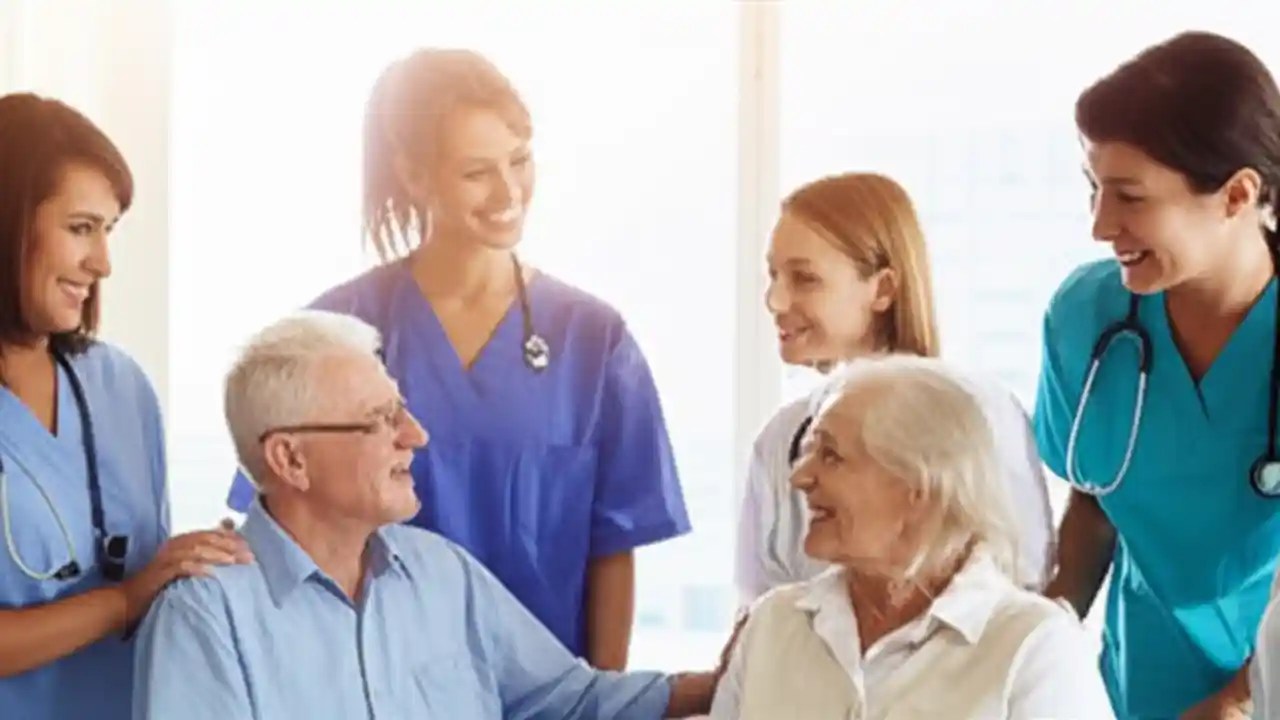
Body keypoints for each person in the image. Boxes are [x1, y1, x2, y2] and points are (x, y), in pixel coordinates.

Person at [224, 48, 690, 669]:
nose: (508, 192)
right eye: (476, 172)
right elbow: (280, 517)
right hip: (371, 682)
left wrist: (602, 702)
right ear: (415, 176)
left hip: (545, 692)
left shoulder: (592, 338)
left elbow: (612, 546)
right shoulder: (337, 334)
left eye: (519, 161)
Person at [135, 310, 717, 718]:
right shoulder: (205, 616)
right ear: (290, 458)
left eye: (403, 411)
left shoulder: (442, 574)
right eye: (380, 419)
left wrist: (725, 684)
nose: (415, 435)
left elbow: (571, 702)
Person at [1033, 31, 1280, 719]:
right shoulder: (1085, 317)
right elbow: (1093, 501)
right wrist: (1033, 643)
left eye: (1130, 197)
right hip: (1135, 686)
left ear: (1236, 195)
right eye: (1093, 189)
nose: (1100, 225)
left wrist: (1239, 700)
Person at [0, 93, 251, 719]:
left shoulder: (120, 387)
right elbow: (133, 593)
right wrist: (125, 599)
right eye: (81, 228)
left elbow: (149, 571)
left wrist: (194, 569)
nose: (102, 263)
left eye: (108, 232)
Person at [712, 355, 1112, 719]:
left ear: (919, 487)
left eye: (830, 456)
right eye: (807, 452)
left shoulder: (1036, 648)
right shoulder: (771, 624)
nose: (800, 477)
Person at [735, 172, 1054, 607]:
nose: (775, 300)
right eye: (772, 275)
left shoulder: (979, 414)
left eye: (804, 278)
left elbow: (1024, 581)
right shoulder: (779, 440)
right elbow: (756, 618)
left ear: (882, 288)